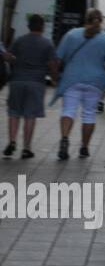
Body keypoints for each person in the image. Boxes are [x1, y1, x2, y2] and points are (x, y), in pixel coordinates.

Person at [53, 9, 105, 160]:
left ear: (85, 19)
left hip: (71, 79)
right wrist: (104, 76)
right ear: (101, 21)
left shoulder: (71, 34)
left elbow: (58, 57)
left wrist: (56, 76)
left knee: (68, 111)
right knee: (89, 115)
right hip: (95, 82)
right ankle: (84, 147)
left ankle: (64, 139)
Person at [4, 13, 59, 159]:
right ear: (42, 27)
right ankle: (26, 148)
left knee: (14, 113)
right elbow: (53, 64)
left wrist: (16, 61)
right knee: (30, 115)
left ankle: (12, 141)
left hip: (17, 81)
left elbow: (8, 57)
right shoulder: (47, 43)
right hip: (36, 83)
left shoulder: (19, 40)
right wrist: (55, 79)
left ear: (29, 26)